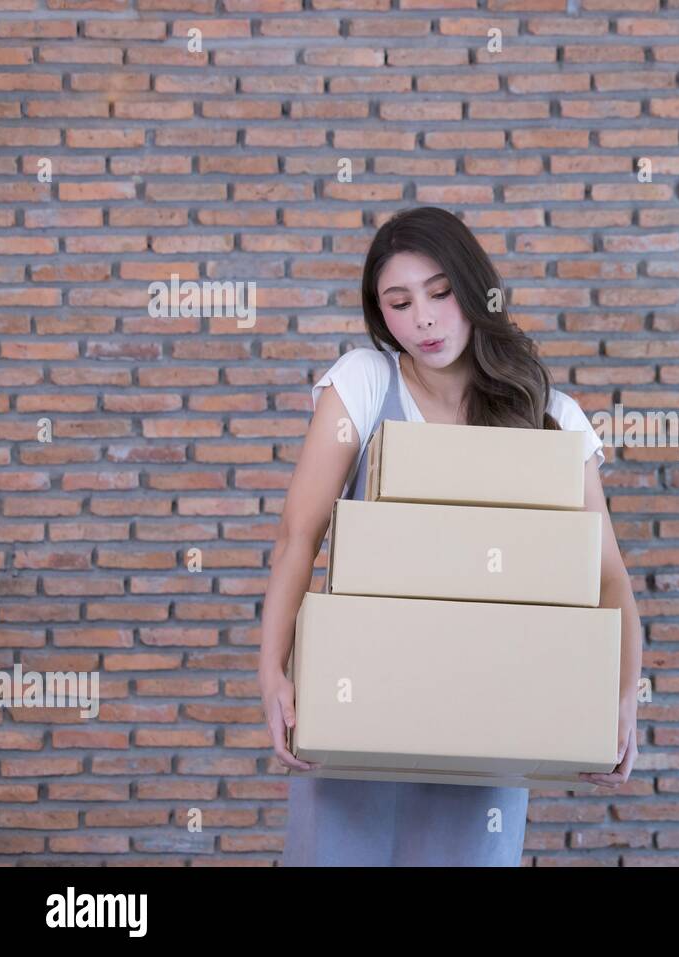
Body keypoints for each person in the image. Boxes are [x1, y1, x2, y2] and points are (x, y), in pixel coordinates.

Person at [256, 206, 643, 866]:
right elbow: (301, 534)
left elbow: (606, 574)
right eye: (399, 303)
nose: (424, 319)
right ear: (382, 315)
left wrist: (621, 698)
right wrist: (273, 671)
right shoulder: (364, 383)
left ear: (473, 289)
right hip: (360, 704)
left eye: (439, 292)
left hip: (489, 715)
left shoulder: (547, 414)